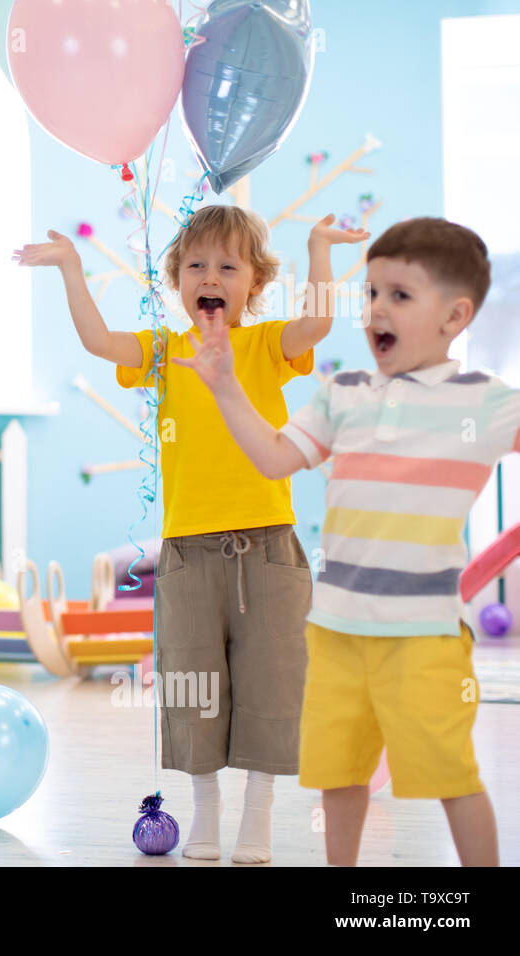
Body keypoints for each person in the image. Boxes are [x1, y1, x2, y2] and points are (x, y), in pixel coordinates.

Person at [15, 205, 366, 862]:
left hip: (268, 547)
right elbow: (98, 341)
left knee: (273, 680)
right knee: (192, 682)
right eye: (196, 265)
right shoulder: (164, 350)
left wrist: (320, 247)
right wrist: (70, 268)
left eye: (228, 266)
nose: (210, 276)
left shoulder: (266, 347)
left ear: (254, 284)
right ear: (179, 280)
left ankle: (256, 810)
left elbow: (318, 320)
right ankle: (207, 809)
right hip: (187, 551)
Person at [174, 217, 504, 867]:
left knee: (452, 777)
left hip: (425, 636)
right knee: (341, 780)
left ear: (456, 316)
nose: (378, 309)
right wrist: (225, 386)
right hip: (336, 635)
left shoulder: (486, 402)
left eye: (400, 296)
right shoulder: (343, 394)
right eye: (372, 294)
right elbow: (270, 457)